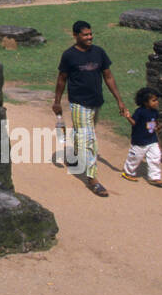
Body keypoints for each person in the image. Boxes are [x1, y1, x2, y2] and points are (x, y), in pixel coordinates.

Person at [53, 20, 129, 196]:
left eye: (90, 34)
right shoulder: (69, 56)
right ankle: (92, 179)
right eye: (85, 35)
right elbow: (61, 79)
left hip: (96, 102)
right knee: (89, 139)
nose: (89, 37)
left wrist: (119, 100)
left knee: (85, 134)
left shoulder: (99, 53)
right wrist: (57, 101)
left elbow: (108, 77)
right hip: (79, 103)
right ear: (76, 36)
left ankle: (74, 157)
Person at [122, 89, 162, 187]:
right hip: (139, 141)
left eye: (156, 100)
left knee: (156, 156)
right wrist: (128, 116)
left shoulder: (155, 112)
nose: (156, 102)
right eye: (154, 100)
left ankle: (154, 177)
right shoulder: (140, 112)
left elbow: (152, 123)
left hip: (152, 140)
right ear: (145, 102)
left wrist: (156, 128)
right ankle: (128, 172)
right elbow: (134, 123)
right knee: (135, 158)